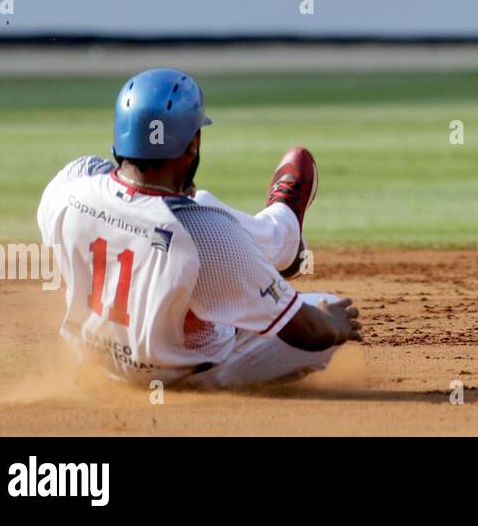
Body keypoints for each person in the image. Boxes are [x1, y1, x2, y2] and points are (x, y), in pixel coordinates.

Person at [36, 67, 362, 387]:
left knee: (202, 220)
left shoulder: (68, 188)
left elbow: (123, 198)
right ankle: (283, 236)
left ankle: (280, 238)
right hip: (180, 377)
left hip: (93, 362)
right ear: (192, 145)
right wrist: (334, 326)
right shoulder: (205, 233)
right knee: (324, 305)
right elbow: (307, 331)